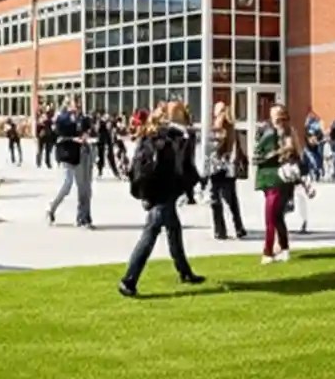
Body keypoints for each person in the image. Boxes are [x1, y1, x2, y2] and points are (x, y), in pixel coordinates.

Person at [120, 103, 206, 297]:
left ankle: (184, 272)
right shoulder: (172, 137)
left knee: (174, 230)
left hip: (157, 191)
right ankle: (128, 280)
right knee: (150, 233)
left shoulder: (156, 135)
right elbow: (177, 167)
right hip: (164, 192)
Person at [254, 104, 298, 264]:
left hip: (279, 178)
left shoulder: (285, 132)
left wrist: (278, 152)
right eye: (275, 117)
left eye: (281, 117)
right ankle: (284, 248)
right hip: (273, 177)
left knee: (271, 217)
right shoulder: (269, 132)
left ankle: (268, 251)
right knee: (277, 216)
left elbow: (292, 150)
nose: (278, 120)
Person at [46, 97, 94, 228]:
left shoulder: (84, 119)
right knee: (66, 184)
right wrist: (74, 139)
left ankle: (83, 217)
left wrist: (86, 136)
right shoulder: (62, 119)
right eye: (75, 104)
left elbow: (88, 131)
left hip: (83, 154)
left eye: (79, 104)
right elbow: (57, 136)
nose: (77, 107)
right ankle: (51, 208)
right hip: (67, 155)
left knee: (84, 188)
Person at [207, 101, 248, 240]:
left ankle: (220, 230)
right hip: (230, 167)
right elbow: (238, 147)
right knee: (232, 199)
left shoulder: (219, 125)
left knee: (215, 199)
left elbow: (215, 148)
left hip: (218, 167)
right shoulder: (232, 127)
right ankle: (239, 227)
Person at [95, 111, 119, 179]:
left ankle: (116, 172)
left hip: (108, 141)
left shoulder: (111, 123)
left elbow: (114, 130)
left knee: (111, 157)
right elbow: (97, 130)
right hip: (101, 141)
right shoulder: (100, 123)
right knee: (100, 157)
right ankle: (100, 172)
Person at [303, 110, 325, 181]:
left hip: (316, 146)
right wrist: (309, 139)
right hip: (309, 146)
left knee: (317, 159)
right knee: (309, 159)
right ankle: (310, 173)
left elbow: (320, 134)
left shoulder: (317, 126)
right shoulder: (307, 127)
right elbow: (305, 134)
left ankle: (317, 171)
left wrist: (316, 140)